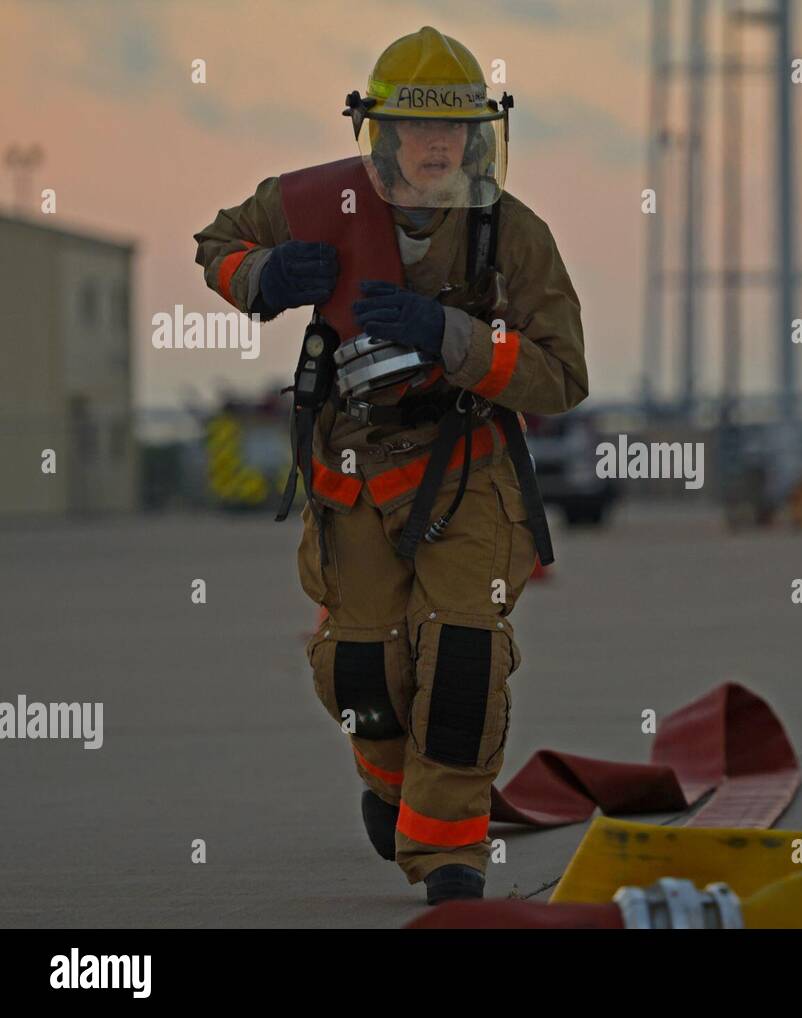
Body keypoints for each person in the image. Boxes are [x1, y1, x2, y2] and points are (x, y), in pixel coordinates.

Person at [193, 26, 586, 906]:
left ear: (480, 136)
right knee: (362, 669)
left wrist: (449, 338)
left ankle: (450, 858)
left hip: (465, 462)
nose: (437, 145)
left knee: (462, 656)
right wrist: (265, 274)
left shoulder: (510, 235)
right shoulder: (310, 203)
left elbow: (563, 375)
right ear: (380, 131)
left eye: (454, 129)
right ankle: (388, 781)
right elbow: (214, 246)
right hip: (352, 469)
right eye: (416, 127)